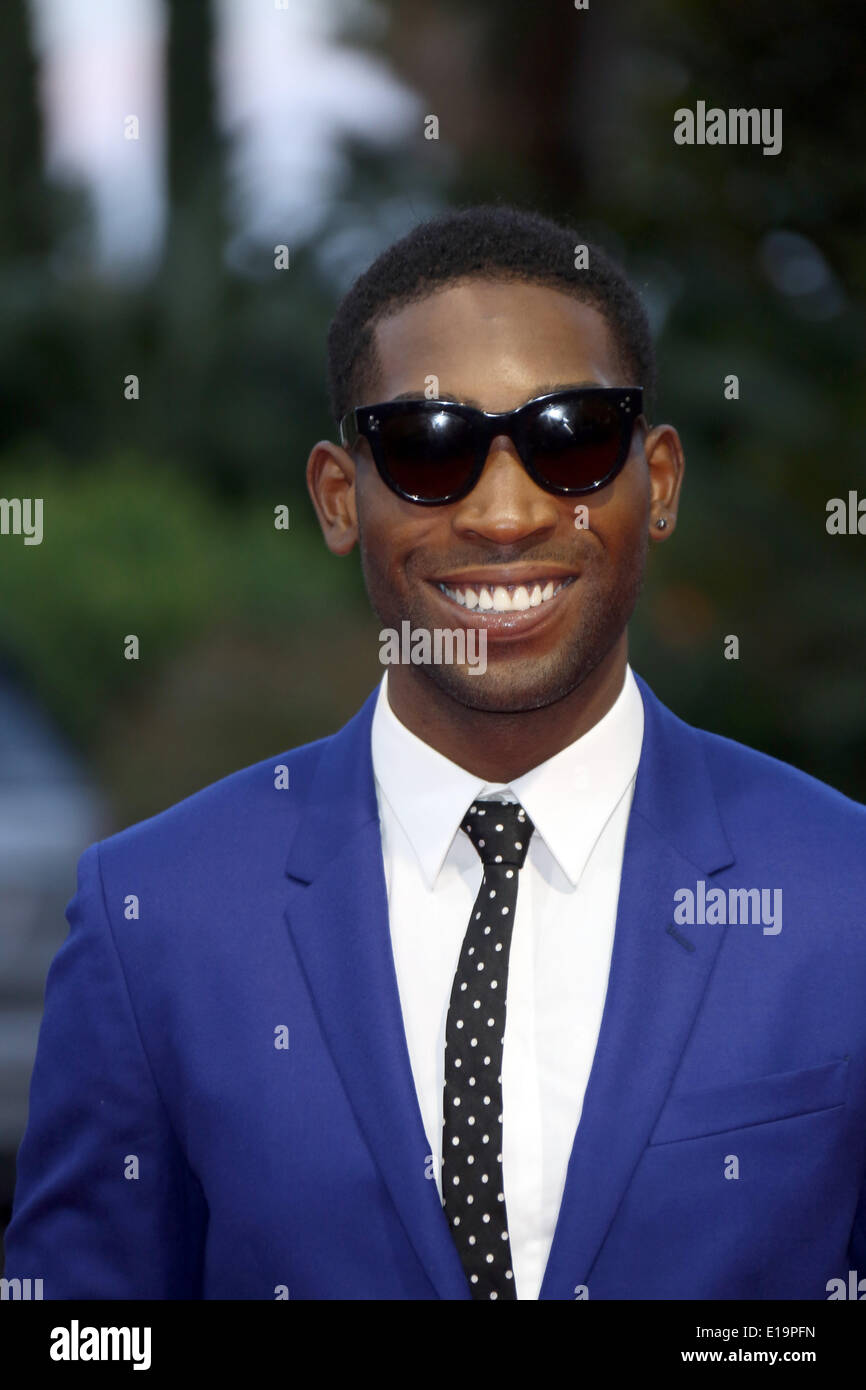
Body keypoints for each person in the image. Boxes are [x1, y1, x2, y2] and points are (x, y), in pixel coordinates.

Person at [5, 204, 866, 1301]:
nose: (504, 514)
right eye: (428, 448)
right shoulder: (152, 918)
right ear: (335, 496)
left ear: (657, 482)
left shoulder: (841, 894)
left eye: (571, 438)